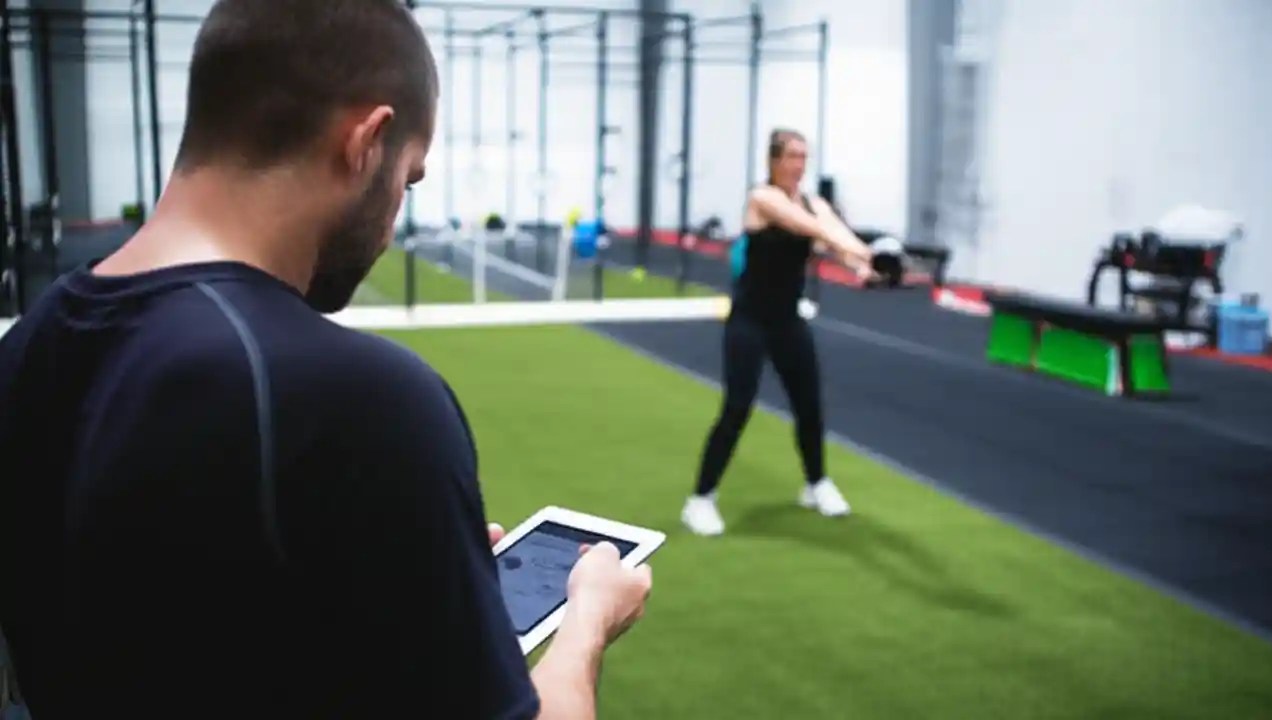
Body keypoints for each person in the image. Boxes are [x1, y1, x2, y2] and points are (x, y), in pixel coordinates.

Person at [0, 2, 651, 718]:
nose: (395, 213)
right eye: (408, 180)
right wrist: (587, 621)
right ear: (366, 142)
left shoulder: (27, 349)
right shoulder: (359, 400)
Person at [681, 129, 875, 537]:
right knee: (737, 408)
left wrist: (864, 266)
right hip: (749, 322)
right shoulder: (762, 199)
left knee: (810, 406)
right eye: (791, 156)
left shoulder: (813, 202)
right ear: (773, 160)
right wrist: (864, 253)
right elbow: (814, 229)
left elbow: (837, 237)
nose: (799, 165)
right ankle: (700, 500)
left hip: (788, 321)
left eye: (804, 156)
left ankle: (816, 484)